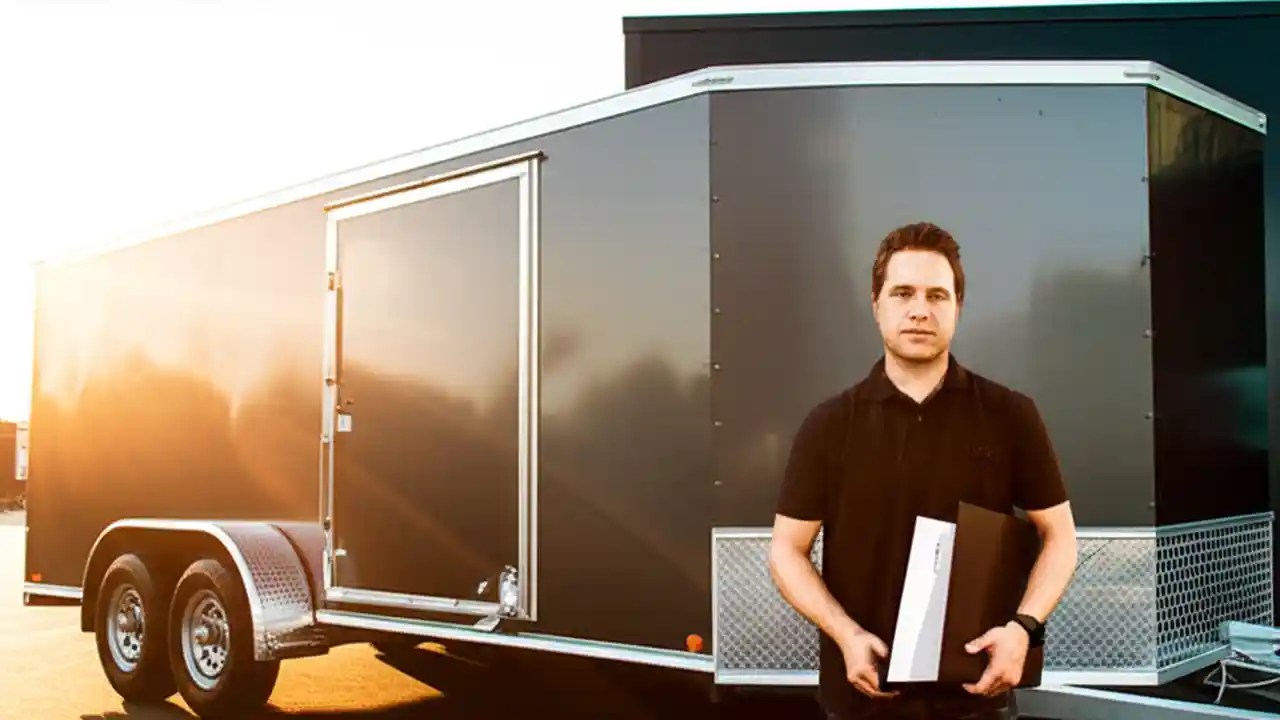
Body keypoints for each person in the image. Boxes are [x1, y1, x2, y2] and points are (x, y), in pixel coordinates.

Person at [769, 222, 1078, 719]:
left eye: (938, 294)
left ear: (957, 307)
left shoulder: (1010, 415)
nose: (919, 309)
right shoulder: (829, 424)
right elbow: (787, 551)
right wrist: (846, 635)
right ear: (876, 305)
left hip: (977, 699)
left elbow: (1060, 536)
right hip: (862, 701)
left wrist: (1023, 628)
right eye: (902, 292)